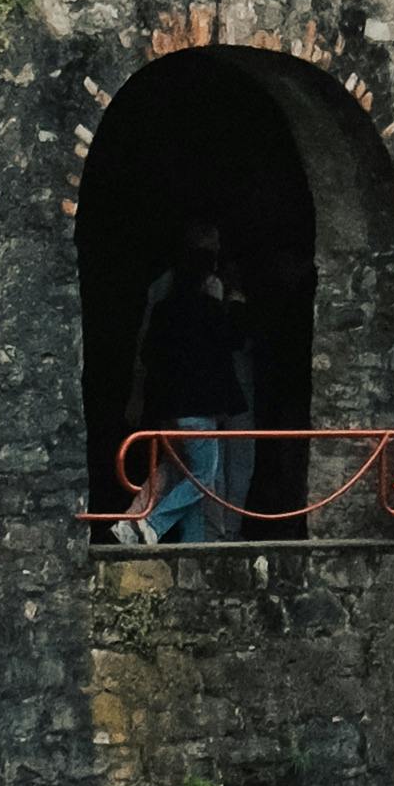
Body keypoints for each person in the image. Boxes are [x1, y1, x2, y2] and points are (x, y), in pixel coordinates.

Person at [117, 222, 255, 545]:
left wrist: (144, 395)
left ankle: (190, 546)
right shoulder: (206, 309)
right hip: (198, 411)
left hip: (170, 409)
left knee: (179, 470)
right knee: (204, 478)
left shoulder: (165, 308)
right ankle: (151, 522)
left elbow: (148, 353)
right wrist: (234, 301)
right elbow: (233, 339)